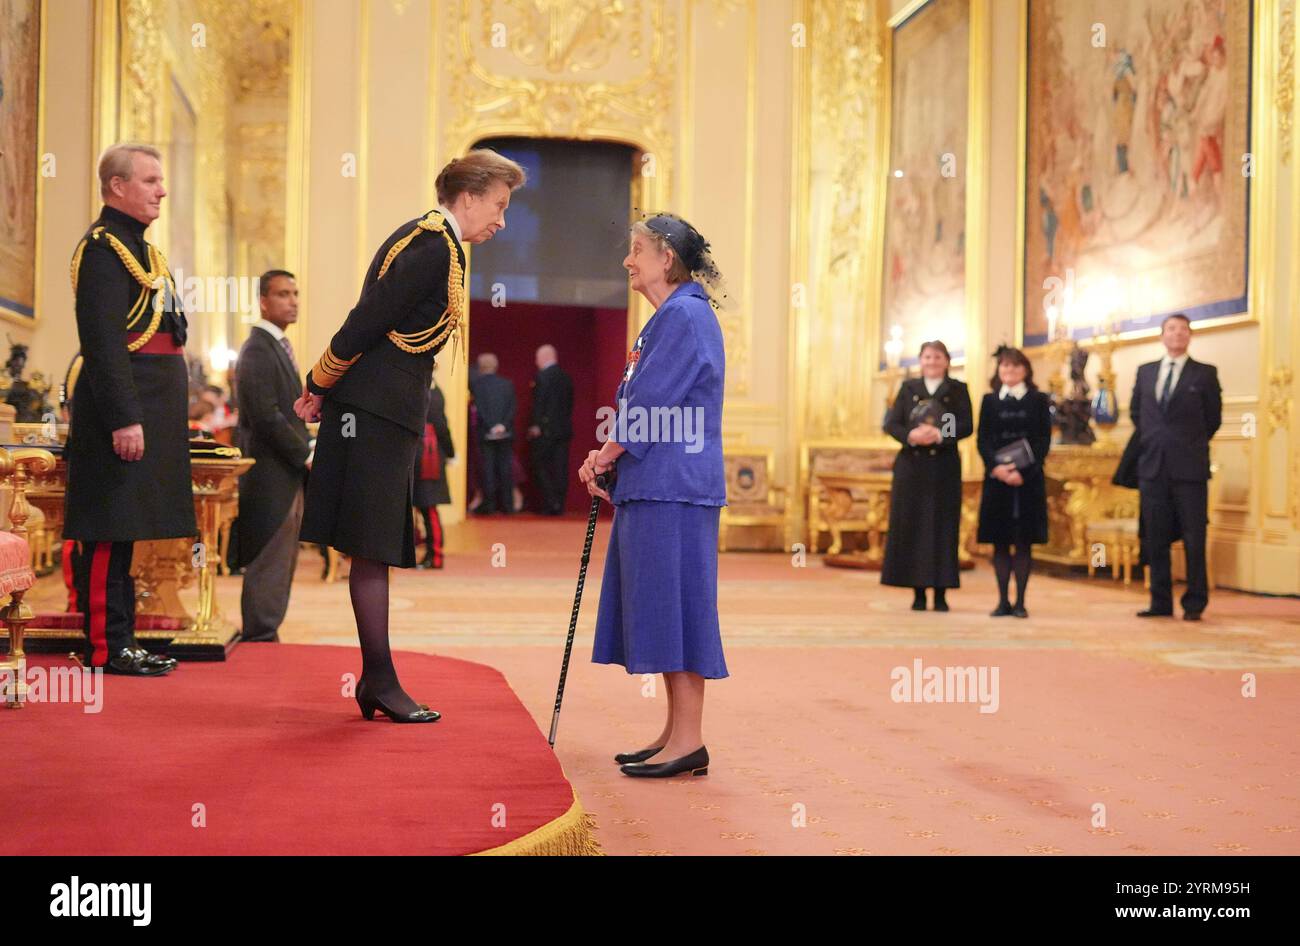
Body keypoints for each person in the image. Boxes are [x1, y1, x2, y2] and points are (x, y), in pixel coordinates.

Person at [296, 149, 525, 722]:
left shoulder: (442, 245)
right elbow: (367, 318)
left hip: (386, 410)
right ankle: (378, 679)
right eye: (498, 205)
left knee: (378, 545)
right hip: (374, 410)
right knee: (373, 544)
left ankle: (378, 678)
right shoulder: (430, 245)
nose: (501, 220)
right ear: (468, 197)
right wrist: (318, 383)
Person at [580, 213, 727, 779]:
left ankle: (688, 740)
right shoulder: (669, 317)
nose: (628, 261)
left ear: (667, 258)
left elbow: (652, 406)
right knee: (662, 608)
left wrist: (604, 454)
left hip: (676, 491)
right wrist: (612, 457)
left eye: (636, 250)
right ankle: (674, 733)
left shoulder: (685, 315)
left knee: (679, 610)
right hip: (657, 485)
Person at [64, 143, 192, 677]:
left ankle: (125, 640)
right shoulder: (102, 249)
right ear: (118, 186)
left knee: (127, 531)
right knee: (106, 529)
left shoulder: (140, 251)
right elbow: (103, 343)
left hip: (149, 410)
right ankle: (104, 647)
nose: (162, 190)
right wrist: (124, 417)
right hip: (121, 415)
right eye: (150, 180)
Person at [235, 270, 310, 643]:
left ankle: (266, 630)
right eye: (283, 294)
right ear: (263, 301)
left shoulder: (276, 347)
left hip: (285, 469)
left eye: (295, 293)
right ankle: (260, 634)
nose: (293, 300)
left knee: (283, 558)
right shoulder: (257, 349)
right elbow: (264, 416)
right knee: (269, 555)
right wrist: (305, 452)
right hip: (268, 471)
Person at [1131, 313, 1222, 620]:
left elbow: (1213, 419)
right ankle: (1160, 602)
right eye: (1171, 329)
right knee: (1155, 537)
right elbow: (1136, 414)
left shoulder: (1204, 374)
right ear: (1162, 335)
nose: (1177, 334)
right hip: (1152, 468)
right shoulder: (1145, 372)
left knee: (1194, 537)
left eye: (1183, 329)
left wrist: (1187, 445)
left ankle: (1195, 602)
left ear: (1190, 336)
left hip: (1189, 469)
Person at [880, 340, 973, 611]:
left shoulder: (957, 390)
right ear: (920, 361)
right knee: (913, 527)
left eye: (938, 357)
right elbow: (892, 423)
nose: (932, 362)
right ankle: (918, 593)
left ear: (947, 361)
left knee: (942, 529)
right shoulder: (908, 389)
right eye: (927, 357)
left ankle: (942, 592)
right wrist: (911, 435)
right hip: (912, 468)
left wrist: (941, 434)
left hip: (943, 468)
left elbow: (966, 425)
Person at [976, 346, 1052, 618]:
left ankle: (1020, 601)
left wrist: (1024, 472)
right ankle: (1001, 601)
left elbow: (1043, 440)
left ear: (1025, 370)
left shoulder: (1039, 400)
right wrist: (996, 469)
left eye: (1016, 366)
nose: (1010, 371)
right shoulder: (989, 401)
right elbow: (982, 439)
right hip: (997, 481)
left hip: (1028, 480)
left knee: (1023, 541)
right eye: (1005, 367)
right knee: (999, 541)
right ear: (998, 371)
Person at [412, 378, 455, 569]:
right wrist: (451, 453)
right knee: (426, 508)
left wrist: (451, 452)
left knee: (428, 508)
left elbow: (441, 427)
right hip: (425, 451)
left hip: (425, 452)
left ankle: (435, 555)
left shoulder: (427, 391)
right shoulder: (432, 390)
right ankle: (431, 554)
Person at [527, 344, 574, 515]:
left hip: (545, 431)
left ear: (545, 357)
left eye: (537, 358)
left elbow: (539, 404)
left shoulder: (542, 377)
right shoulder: (566, 377)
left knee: (542, 467)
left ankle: (550, 502)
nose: (536, 361)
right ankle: (559, 504)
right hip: (563, 430)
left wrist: (536, 425)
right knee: (561, 468)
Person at [469, 352, 516, 515]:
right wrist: (502, 425)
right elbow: (512, 408)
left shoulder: (476, 385)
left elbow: (479, 409)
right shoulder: (507, 384)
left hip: (485, 433)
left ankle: (489, 506)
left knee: (488, 469)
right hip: (505, 433)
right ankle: (508, 506)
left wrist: (491, 426)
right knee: (505, 470)